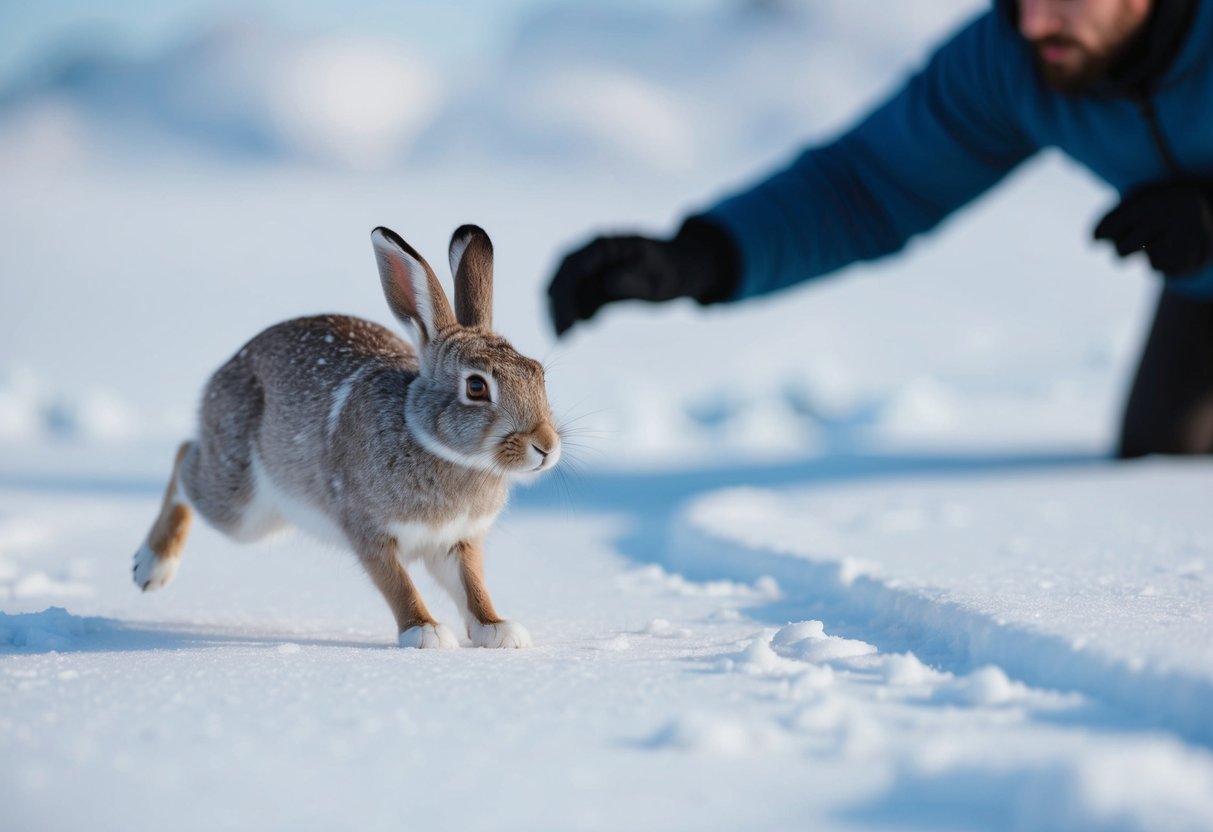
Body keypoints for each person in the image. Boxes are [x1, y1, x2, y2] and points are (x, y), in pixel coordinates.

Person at [546, 0, 1213, 458]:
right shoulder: (1014, 57)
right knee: (1159, 455)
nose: (1034, 21)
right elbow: (869, 183)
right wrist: (698, 257)